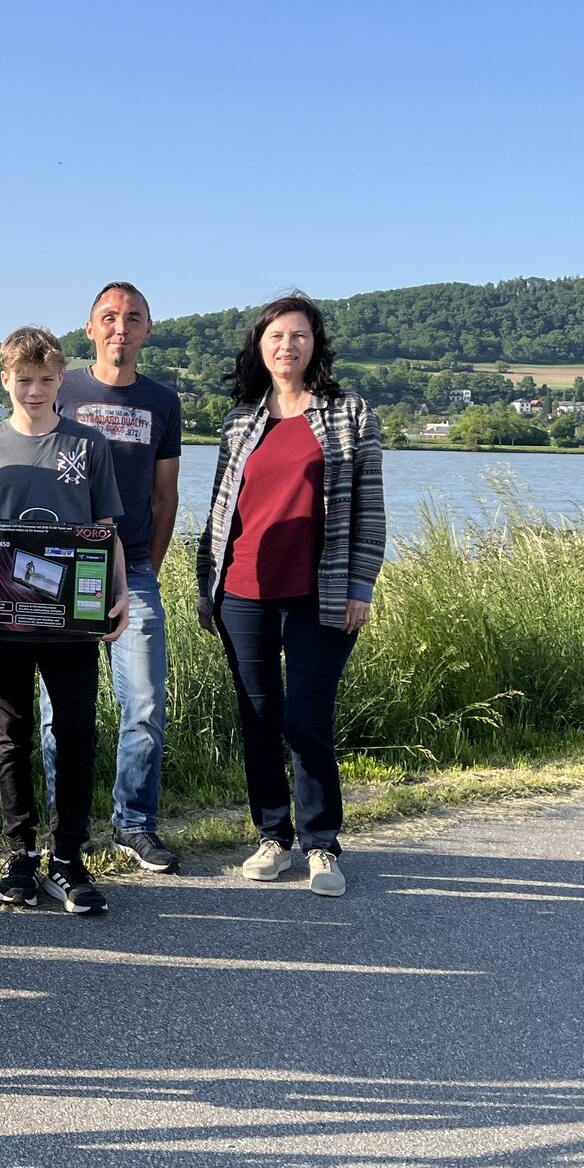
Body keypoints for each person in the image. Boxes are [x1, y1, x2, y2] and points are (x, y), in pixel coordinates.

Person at [195, 292, 384, 899]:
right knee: (258, 718)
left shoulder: (350, 416)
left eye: (299, 336)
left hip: (320, 592)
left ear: (314, 345)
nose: (287, 346)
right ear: (260, 346)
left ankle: (322, 844)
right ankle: (273, 836)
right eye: (276, 336)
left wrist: (361, 586)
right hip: (243, 589)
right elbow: (222, 512)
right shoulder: (241, 421)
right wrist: (208, 586)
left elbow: (371, 512)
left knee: (306, 720)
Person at [0, 326, 128, 913]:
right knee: (11, 736)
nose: (35, 389)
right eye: (24, 379)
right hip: (2, 618)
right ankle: (20, 854)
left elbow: (107, 530)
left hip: (72, 621)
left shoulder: (88, 444)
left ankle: (70, 857)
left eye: (47, 379)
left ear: (60, 380)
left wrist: (119, 593)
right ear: (6, 379)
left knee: (75, 733)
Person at [41, 282, 183, 872]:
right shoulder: (62, 388)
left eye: (132, 318)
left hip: (135, 570)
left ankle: (135, 823)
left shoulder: (163, 402)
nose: (119, 327)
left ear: (147, 329)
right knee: (57, 714)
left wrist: (140, 565)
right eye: (109, 317)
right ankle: (60, 827)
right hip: (64, 568)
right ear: (90, 327)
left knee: (145, 702)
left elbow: (166, 495)